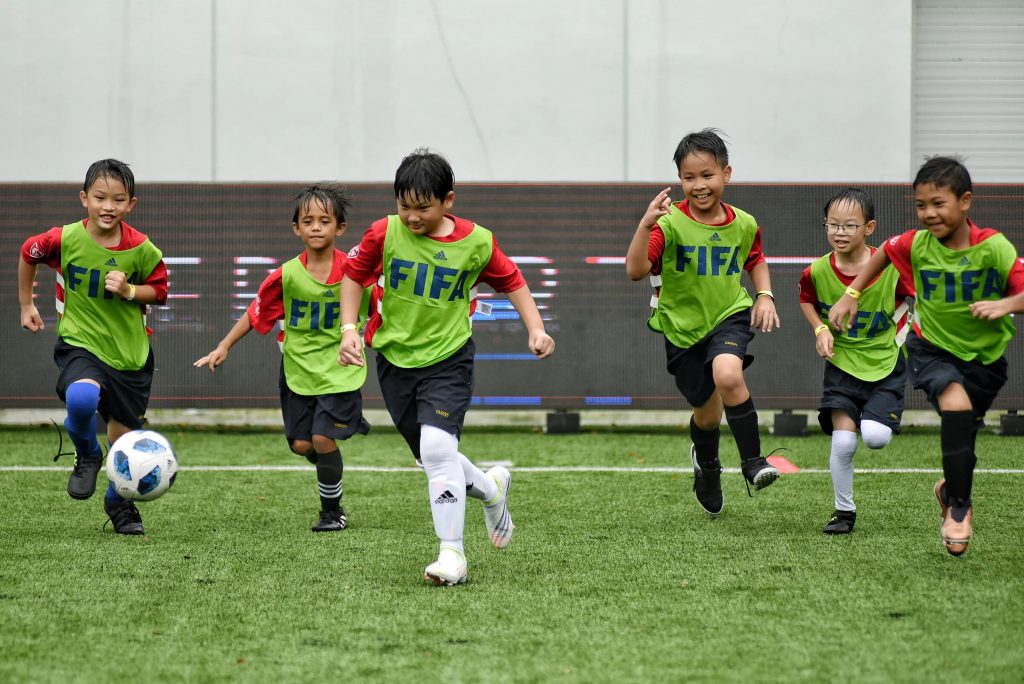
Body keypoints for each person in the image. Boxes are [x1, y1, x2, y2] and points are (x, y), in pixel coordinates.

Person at [338, 148, 555, 585]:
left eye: (422, 207)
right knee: (432, 457)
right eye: (404, 206)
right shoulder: (383, 232)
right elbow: (353, 276)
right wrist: (348, 330)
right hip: (395, 361)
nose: (411, 217)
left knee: (438, 451)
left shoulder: (477, 242)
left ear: (447, 200)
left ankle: (451, 555)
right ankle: (491, 489)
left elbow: (513, 281)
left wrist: (536, 328)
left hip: (449, 360)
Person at [829, 156, 1024, 556]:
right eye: (921, 205)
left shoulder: (992, 247)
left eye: (938, 203)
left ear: (965, 201)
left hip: (985, 361)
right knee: (955, 406)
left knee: (965, 434)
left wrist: (1005, 305)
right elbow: (884, 251)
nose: (929, 213)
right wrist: (852, 294)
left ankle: (949, 489)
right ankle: (959, 508)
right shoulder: (915, 243)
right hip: (931, 349)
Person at [194, 183, 369, 532]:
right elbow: (255, 312)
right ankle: (328, 455)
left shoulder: (355, 272)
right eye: (308, 221)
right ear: (296, 228)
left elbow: (382, 306)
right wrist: (224, 345)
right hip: (298, 371)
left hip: (340, 371)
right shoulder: (286, 275)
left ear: (340, 228)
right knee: (302, 445)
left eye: (324, 221)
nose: (316, 227)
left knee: (322, 439)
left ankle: (332, 512)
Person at [625, 128, 781, 518]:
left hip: (729, 315)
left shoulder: (744, 223)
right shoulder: (668, 223)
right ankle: (707, 467)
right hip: (681, 328)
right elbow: (635, 270)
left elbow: (755, 259)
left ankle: (753, 462)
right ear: (680, 179)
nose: (699, 185)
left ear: (726, 174)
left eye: (707, 175)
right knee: (708, 415)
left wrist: (764, 294)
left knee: (728, 374)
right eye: (689, 177)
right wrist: (645, 225)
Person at [18, 159, 168, 535]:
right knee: (81, 398)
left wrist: (130, 290)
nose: (108, 206)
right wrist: (26, 303)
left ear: (131, 204)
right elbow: (28, 253)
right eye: (100, 197)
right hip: (80, 343)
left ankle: (119, 504)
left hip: (130, 357)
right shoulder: (64, 238)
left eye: (118, 199)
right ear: (84, 199)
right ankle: (87, 454)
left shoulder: (142, 249)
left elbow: (159, 292)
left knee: (124, 444)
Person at [798, 188, 914, 534]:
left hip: (885, 364)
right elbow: (806, 299)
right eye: (832, 225)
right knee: (844, 442)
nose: (840, 232)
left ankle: (875, 416)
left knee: (875, 436)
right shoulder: (817, 271)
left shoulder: (892, 269)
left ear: (869, 228)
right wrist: (820, 328)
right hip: (842, 365)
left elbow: (918, 297)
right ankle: (843, 513)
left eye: (850, 225)